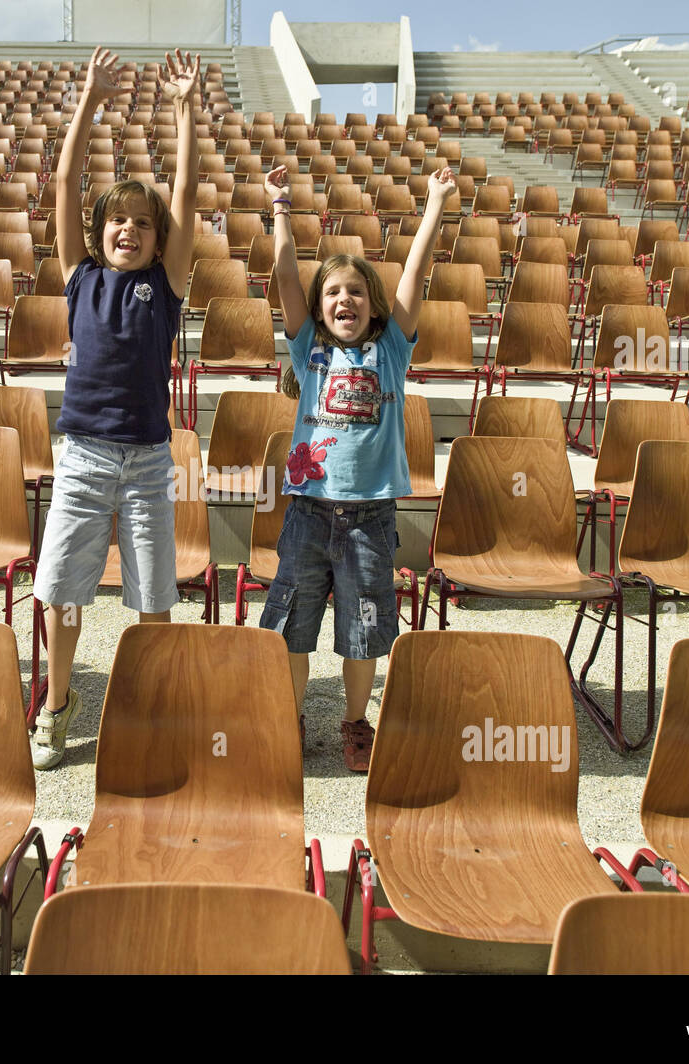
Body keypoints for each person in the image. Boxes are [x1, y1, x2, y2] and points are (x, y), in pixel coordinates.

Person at [31, 46, 201, 769]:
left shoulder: (165, 286)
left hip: (148, 461)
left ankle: (151, 707)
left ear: (160, 241)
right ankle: (57, 703)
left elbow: (187, 193)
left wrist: (185, 109)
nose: (127, 229)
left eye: (142, 223)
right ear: (99, 235)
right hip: (84, 456)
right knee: (62, 593)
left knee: (153, 599)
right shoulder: (80, 279)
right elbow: (67, 182)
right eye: (116, 222)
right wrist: (89, 102)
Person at [260, 161, 457, 771]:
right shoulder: (308, 348)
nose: (344, 299)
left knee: (365, 627)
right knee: (293, 622)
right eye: (333, 293)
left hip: (372, 515)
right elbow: (286, 276)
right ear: (319, 311)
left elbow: (417, 272)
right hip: (307, 512)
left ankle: (354, 722)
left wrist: (434, 207)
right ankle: (288, 718)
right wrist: (280, 212)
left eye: (356, 291)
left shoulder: (392, 348)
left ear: (373, 306)